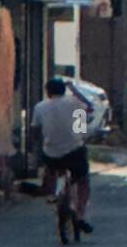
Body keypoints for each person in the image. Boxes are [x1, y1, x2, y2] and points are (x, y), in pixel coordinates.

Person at [30, 78, 93, 234]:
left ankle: (52, 192)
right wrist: (75, 91)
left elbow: (35, 131)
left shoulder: (40, 107)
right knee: (83, 181)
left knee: (51, 169)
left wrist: (38, 147)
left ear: (48, 92)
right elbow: (82, 129)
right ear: (64, 91)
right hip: (74, 151)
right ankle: (80, 214)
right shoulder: (75, 103)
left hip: (51, 153)